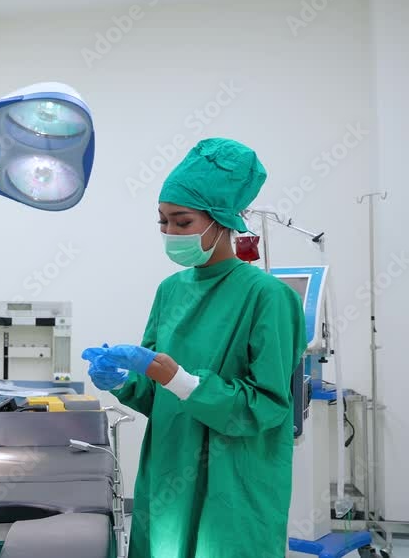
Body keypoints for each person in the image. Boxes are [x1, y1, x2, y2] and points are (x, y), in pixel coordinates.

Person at [81, 138, 306, 558]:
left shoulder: (269, 297)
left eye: (182, 222)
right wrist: (124, 380)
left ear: (222, 220)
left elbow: (269, 406)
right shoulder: (170, 291)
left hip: (235, 482)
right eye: (162, 222)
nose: (169, 233)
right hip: (169, 472)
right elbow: (157, 396)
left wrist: (181, 379)